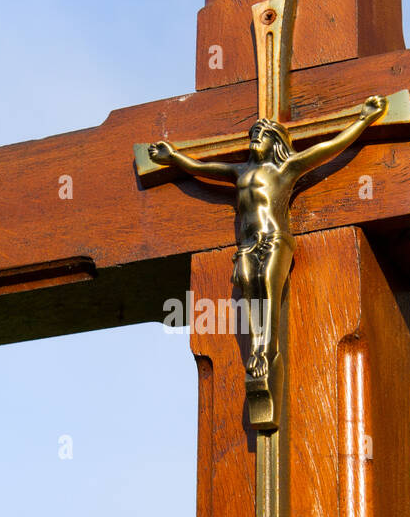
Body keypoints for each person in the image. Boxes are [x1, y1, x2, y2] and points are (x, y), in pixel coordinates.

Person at [148, 94, 387, 391]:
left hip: (275, 238)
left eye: (260, 135)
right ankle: (256, 348)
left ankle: (265, 351)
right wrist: (173, 158)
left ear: (274, 141)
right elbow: (201, 168)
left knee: (267, 286)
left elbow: (329, 147)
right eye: (252, 135)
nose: (254, 139)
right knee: (249, 287)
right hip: (246, 245)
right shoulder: (239, 172)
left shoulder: (285, 169)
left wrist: (365, 118)